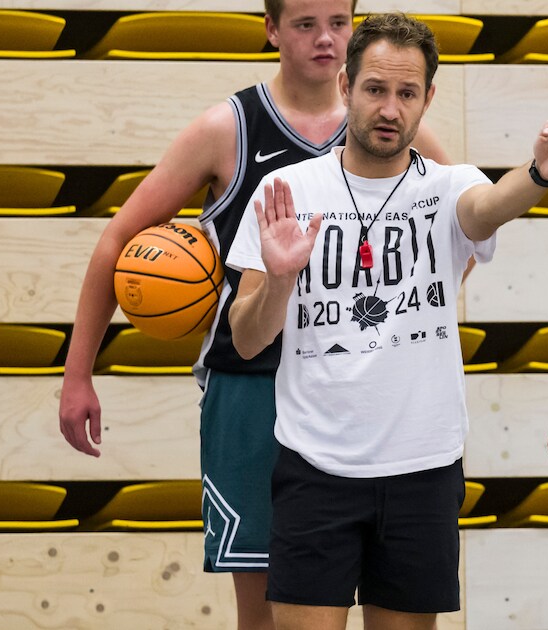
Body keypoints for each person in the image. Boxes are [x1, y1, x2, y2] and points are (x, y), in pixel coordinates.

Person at [57, 2, 448, 628]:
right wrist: (78, 374)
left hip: (357, 391)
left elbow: (455, 238)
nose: (325, 39)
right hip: (253, 383)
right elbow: (117, 242)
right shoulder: (227, 128)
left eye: (338, 23)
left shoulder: (395, 125)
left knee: (394, 600)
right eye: (304, 24)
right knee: (268, 611)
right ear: (271, 30)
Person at [226, 13, 548, 630]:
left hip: (423, 467)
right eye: (375, 89)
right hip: (315, 465)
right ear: (346, 86)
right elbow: (247, 339)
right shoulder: (286, 191)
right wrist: (281, 279)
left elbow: (490, 206)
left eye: (407, 93)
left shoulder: (449, 187)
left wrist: (538, 175)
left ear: (427, 99)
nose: (390, 109)